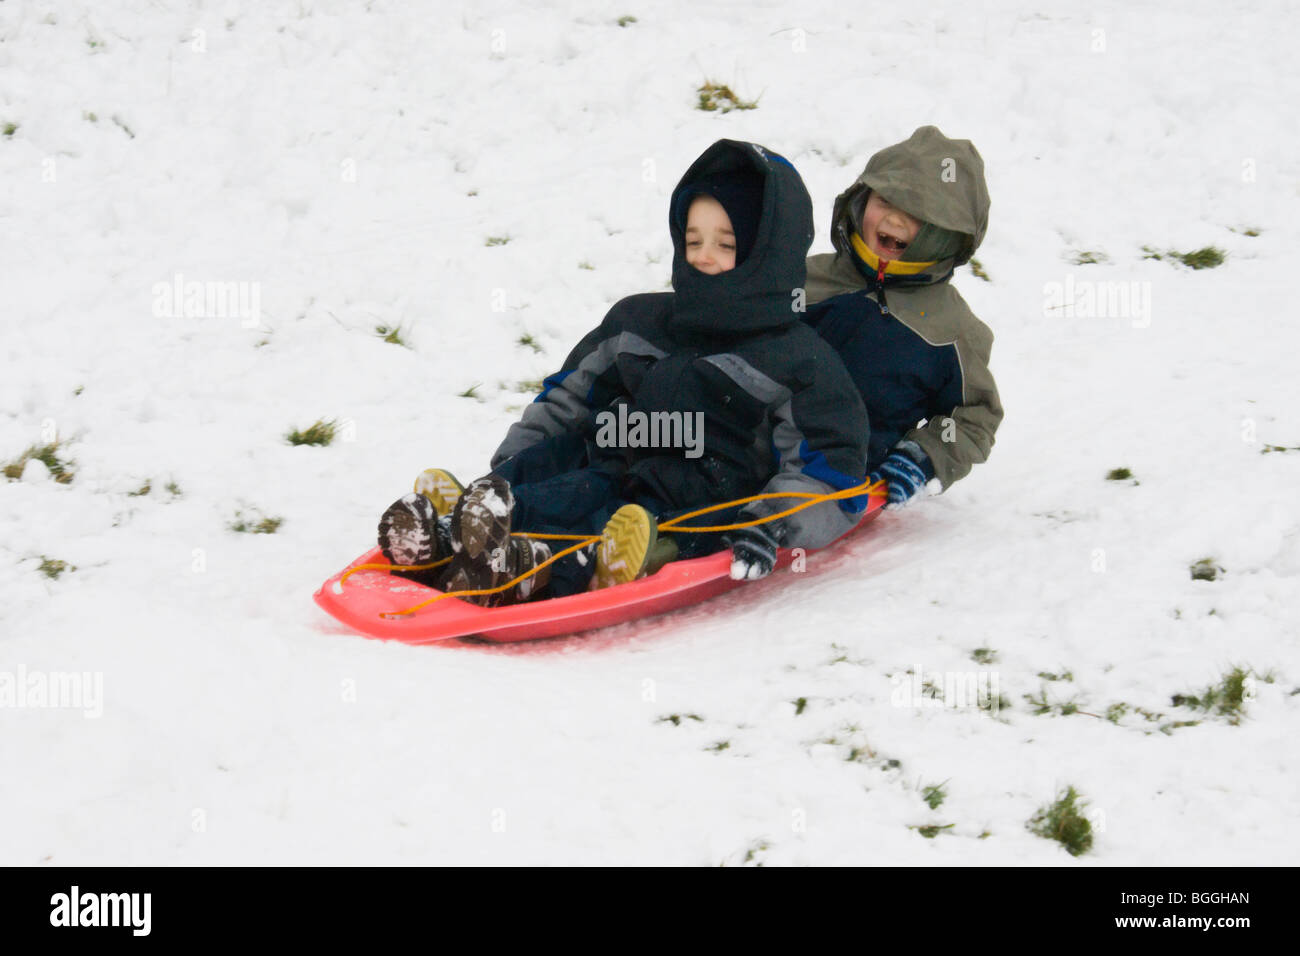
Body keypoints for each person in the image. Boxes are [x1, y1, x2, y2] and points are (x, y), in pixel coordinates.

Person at [377, 139, 871, 605]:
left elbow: (831, 470)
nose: (702, 256)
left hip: (697, 495)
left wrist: (774, 523)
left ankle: (529, 570)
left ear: (768, 255)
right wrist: (513, 462)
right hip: (617, 456)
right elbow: (568, 395)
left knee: (613, 517)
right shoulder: (642, 318)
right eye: (693, 238)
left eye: (726, 244)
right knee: (567, 465)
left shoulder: (798, 359)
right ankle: (456, 528)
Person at [803, 126, 1003, 507]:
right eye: (884, 201)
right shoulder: (807, 279)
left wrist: (923, 457)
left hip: (832, 469)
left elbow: (975, 416)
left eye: (915, 215)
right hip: (745, 431)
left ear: (949, 234)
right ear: (860, 200)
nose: (893, 221)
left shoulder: (950, 329)